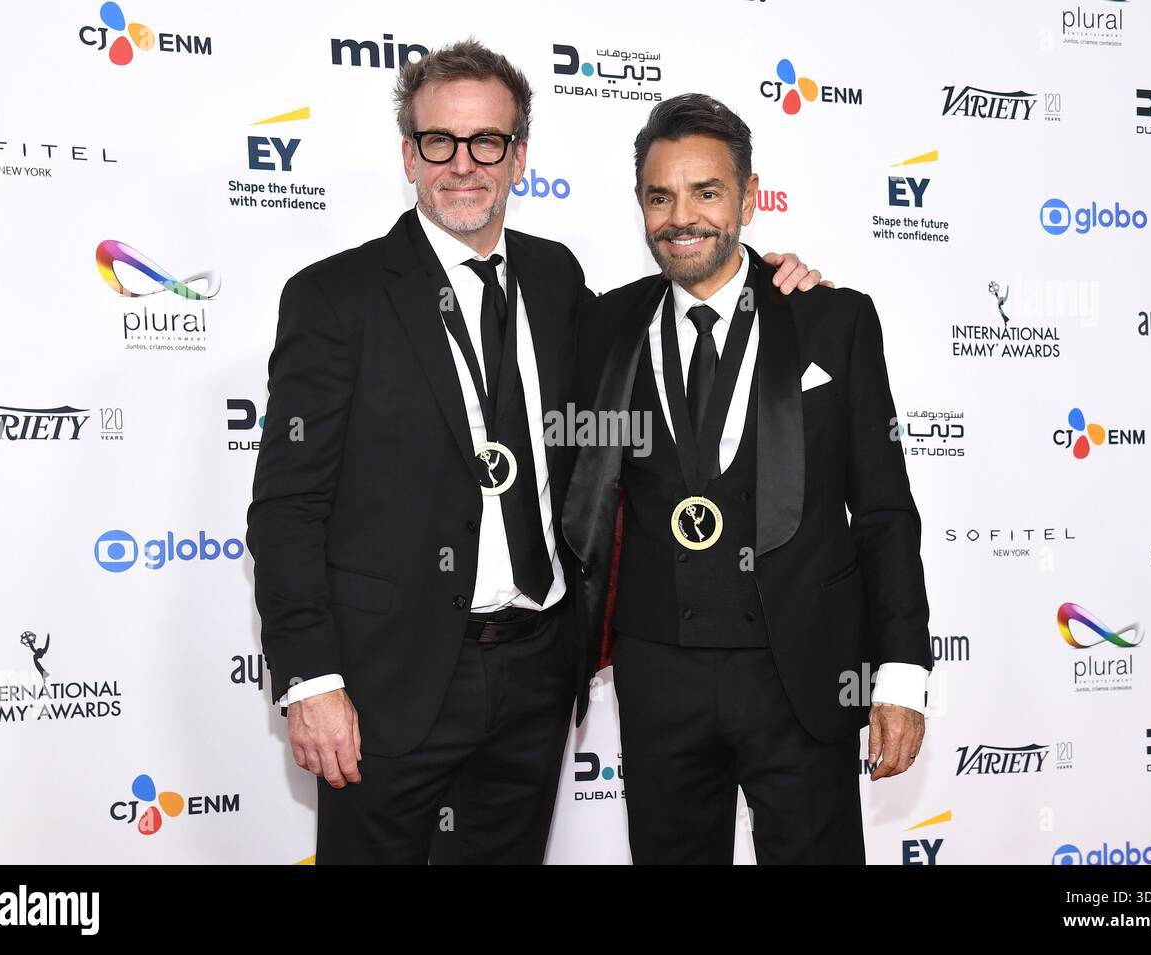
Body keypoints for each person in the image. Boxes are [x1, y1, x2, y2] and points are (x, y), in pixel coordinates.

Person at [245, 42, 820, 864]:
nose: (464, 164)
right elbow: (286, 507)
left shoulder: (556, 282)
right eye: (440, 141)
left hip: (537, 677)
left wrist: (771, 280)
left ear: (520, 155)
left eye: (489, 141)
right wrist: (311, 679)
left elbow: (684, 314)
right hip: (386, 685)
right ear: (409, 153)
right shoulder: (335, 298)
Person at [562, 94, 932, 864]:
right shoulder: (606, 325)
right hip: (659, 675)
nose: (681, 216)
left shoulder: (832, 320)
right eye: (660, 195)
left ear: (749, 197)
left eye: (707, 191)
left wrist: (900, 671)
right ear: (640, 204)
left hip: (800, 671)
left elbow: (884, 507)